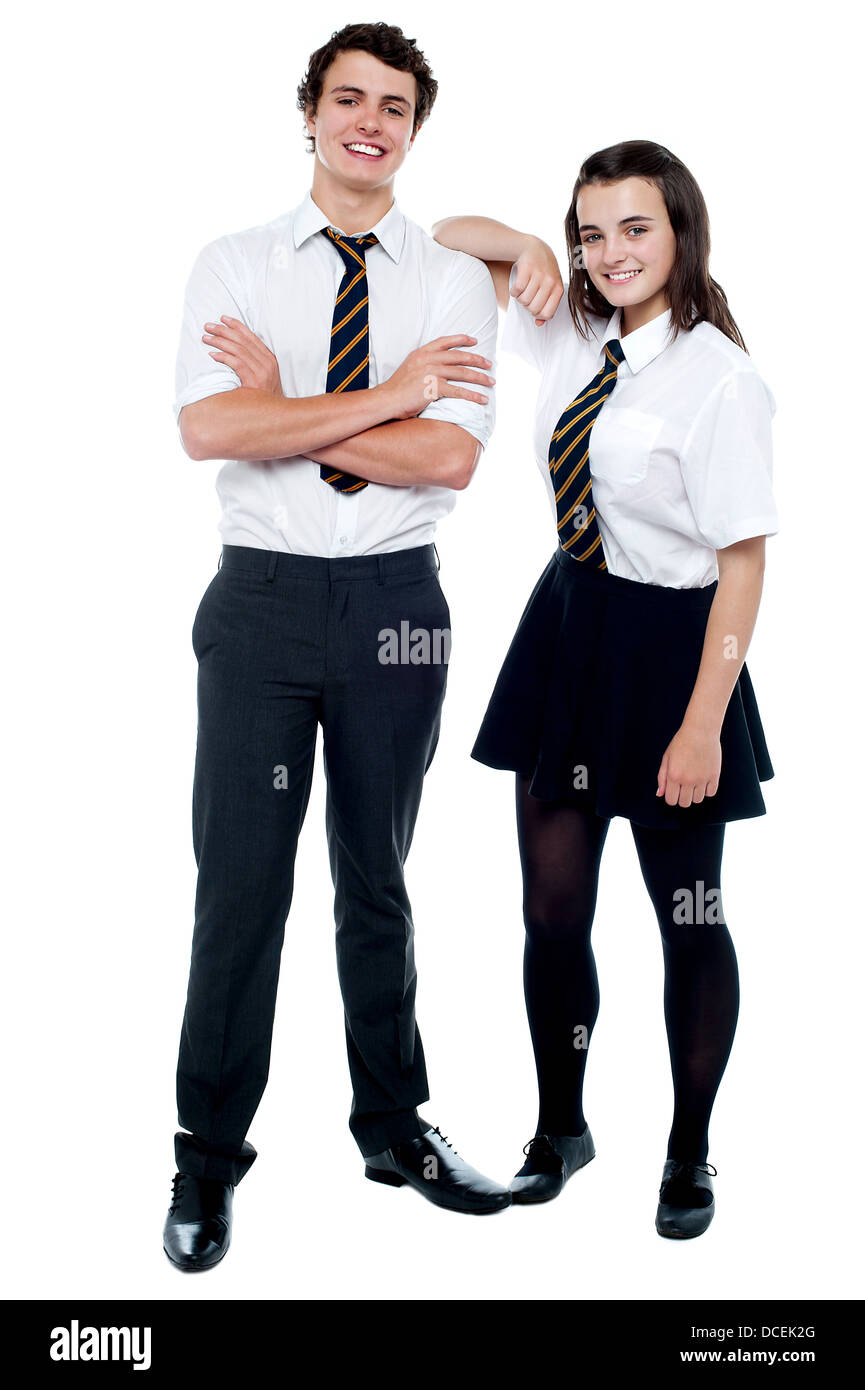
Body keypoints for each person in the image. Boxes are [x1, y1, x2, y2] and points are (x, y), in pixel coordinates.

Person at [163, 21, 511, 1273]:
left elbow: (450, 459)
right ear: (307, 112)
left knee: (379, 877)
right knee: (240, 888)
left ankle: (392, 1126)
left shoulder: (451, 282)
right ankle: (207, 1160)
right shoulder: (235, 263)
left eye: (395, 105)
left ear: (415, 130)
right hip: (259, 607)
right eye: (348, 98)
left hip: (397, 609)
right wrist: (386, 394)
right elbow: (209, 430)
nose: (370, 120)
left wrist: (289, 411)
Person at [432, 139, 778, 1238]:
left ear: (681, 228)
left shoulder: (722, 378)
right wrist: (534, 246)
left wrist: (701, 725)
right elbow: (442, 241)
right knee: (550, 911)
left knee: (688, 919)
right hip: (569, 628)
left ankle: (689, 1153)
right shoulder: (577, 330)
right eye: (592, 231)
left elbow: (743, 563)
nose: (612, 251)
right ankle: (561, 1127)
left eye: (635, 227)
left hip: (675, 650)